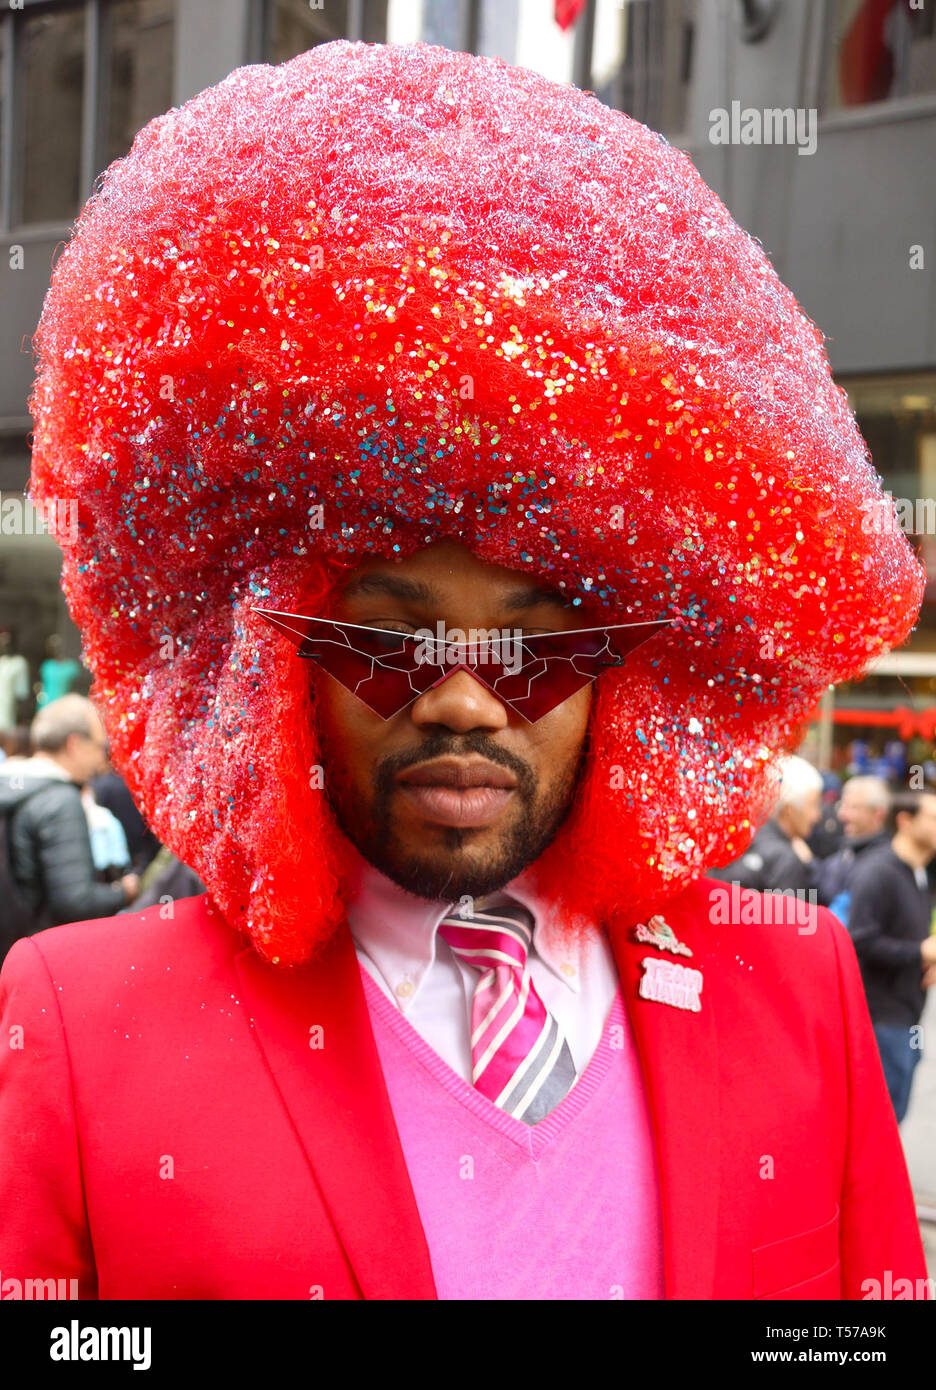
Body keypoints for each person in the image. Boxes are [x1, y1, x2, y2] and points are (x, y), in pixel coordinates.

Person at [0, 42, 928, 1300]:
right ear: (274, 666)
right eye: (390, 642)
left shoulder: (796, 980)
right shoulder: (80, 1016)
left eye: (539, 648)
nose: (462, 697)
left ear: (628, 672)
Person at [0, 695, 139, 954]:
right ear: (74, 743)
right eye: (100, 746)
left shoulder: (10, 782)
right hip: (37, 952)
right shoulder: (61, 800)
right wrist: (124, 892)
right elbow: (74, 901)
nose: (102, 758)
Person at [847, 790, 936, 1124]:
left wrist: (925, 959)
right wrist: (920, 952)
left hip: (908, 1013)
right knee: (879, 1123)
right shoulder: (878, 872)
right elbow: (859, 943)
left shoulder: (920, 872)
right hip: (882, 1018)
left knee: (893, 1115)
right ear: (905, 821)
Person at [707, 755, 823, 896]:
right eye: (813, 805)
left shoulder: (736, 837)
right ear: (789, 810)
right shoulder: (786, 859)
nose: (817, 816)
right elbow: (789, 916)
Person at [817, 775, 891, 923]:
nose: (842, 815)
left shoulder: (887, 864)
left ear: (878, 814)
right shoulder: (848, 848)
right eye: (842, 806)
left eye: (853, 807)